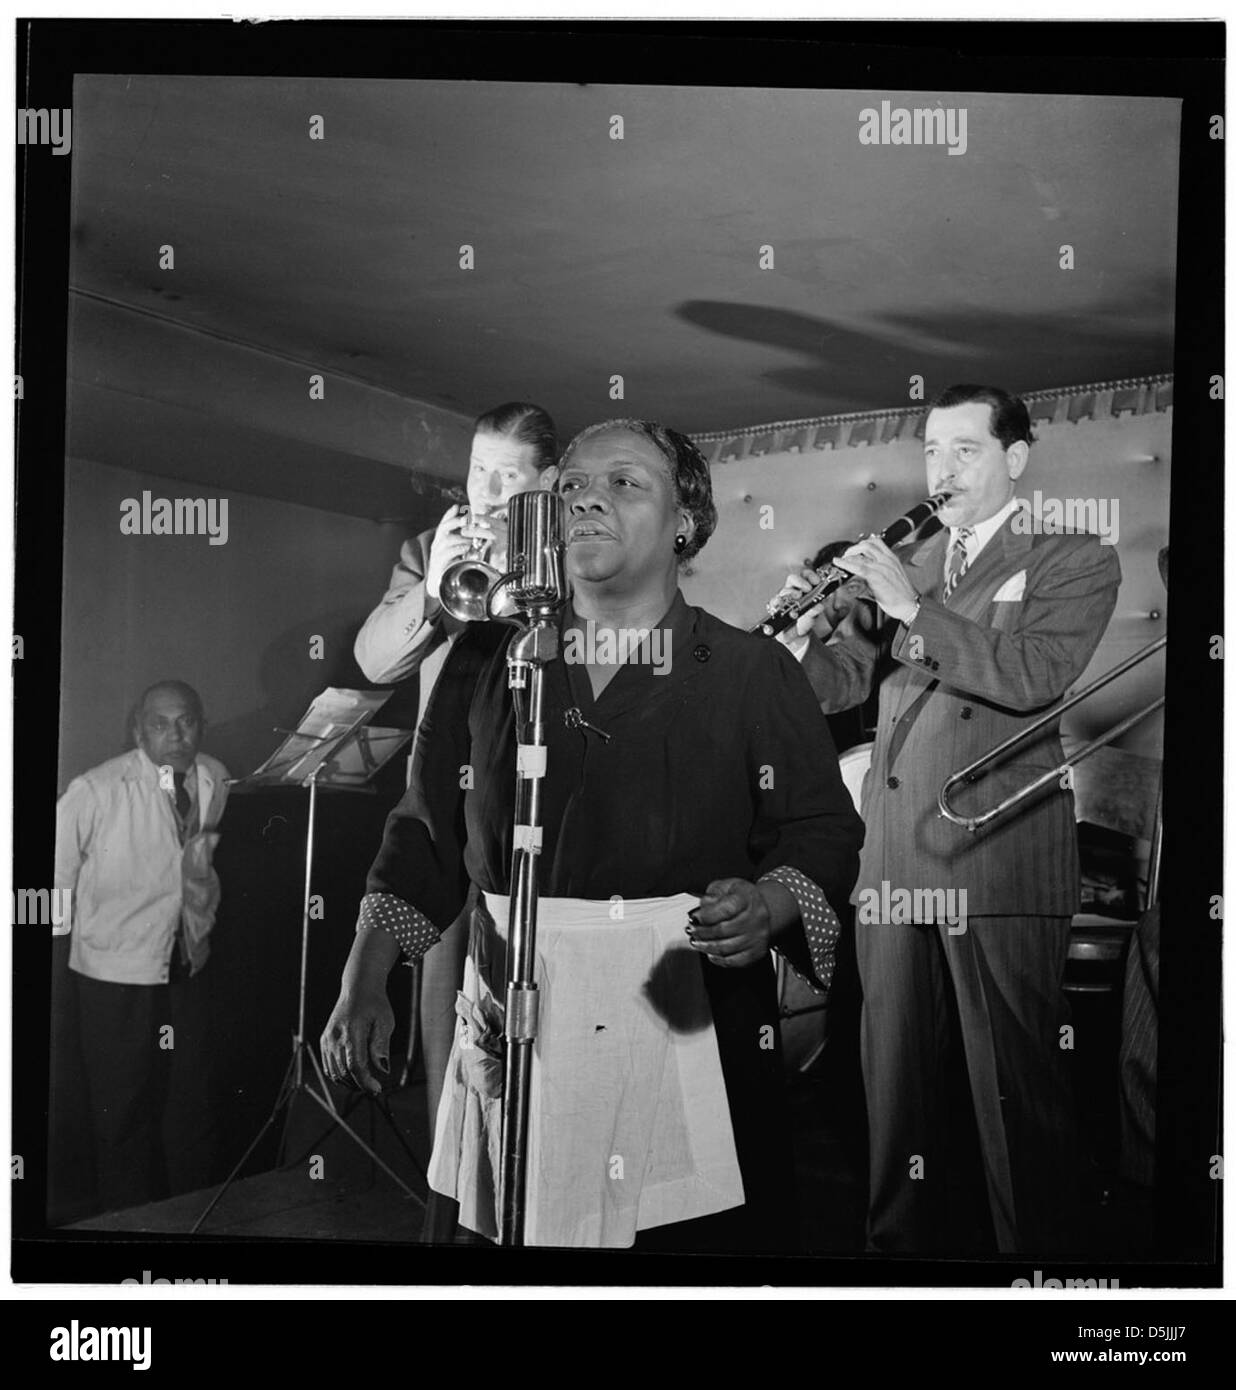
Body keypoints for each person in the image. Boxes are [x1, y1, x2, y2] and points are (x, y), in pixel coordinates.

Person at [323, 419, 864, 1251]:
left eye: (624, 484)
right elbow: (425, 830)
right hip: (510, 1014)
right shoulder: (484, 661)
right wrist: (365, 974)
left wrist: (770, 903)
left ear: (685, 521)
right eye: (572, 486)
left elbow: (823, 834)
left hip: (681, 1017)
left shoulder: (753, 673)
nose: (587, 501)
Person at [779, 384, 1122, 1255]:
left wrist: (906, 609)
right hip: (894, 862)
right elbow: (845, 686)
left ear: (1016, 457)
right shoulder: (913, 564)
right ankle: (895, 1260)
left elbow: (1034, 676)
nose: (943, 469)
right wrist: (795, 648)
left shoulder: (1070, 557)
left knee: (1015, 1098)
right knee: (891, 1096)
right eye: (933, 450)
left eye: (966, 449)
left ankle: (1035, 1269)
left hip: (998, 857)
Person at [352, 401, 557, 1171]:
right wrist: (438, 591)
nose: (486, 490)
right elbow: (375, 661)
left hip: (532, 841)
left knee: (533, 1073)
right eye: (478, 470)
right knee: (452, 1065)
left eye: (508, 475)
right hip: (444, 838)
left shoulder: (564, 559)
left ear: (548, 482)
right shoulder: (423, 551)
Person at [54, 680, 229, 1211]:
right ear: (138, 729)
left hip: (185, 965)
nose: (176, 734)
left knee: (189, 1101)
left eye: (187, 721)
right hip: (112, 978)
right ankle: (128, 1227)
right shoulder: (96, 788)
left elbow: (196, 868)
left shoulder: (214, 777)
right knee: (122, 1109)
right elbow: (49, 879)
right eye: (161, 723)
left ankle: (192, 1218)